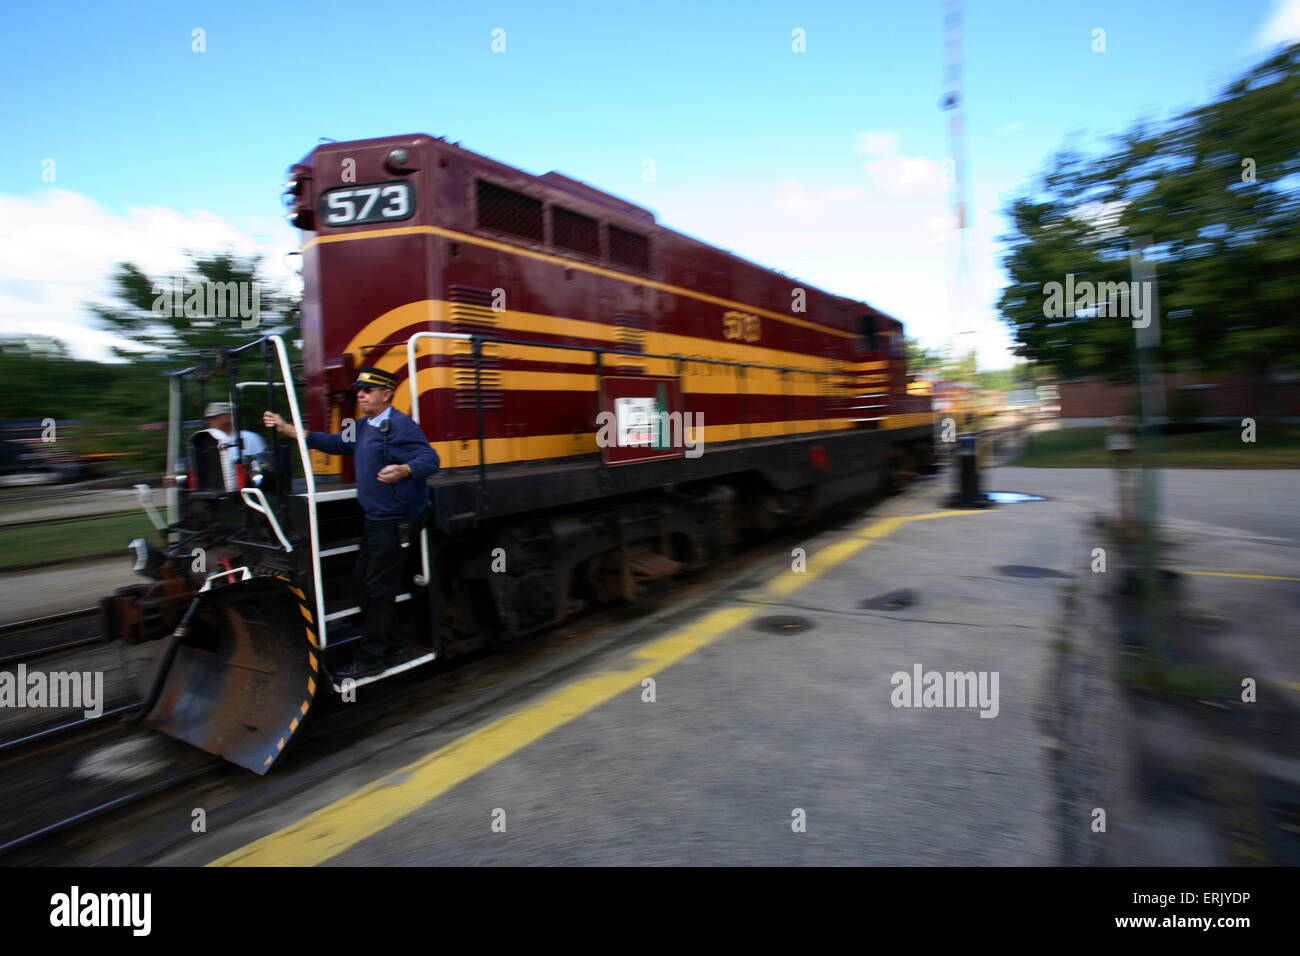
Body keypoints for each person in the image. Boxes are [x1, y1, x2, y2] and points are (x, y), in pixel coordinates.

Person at [263, 366, 439, 679]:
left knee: (377, 587)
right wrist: (287, 428)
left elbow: (430, 459)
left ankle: (373, 658)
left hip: (398, 519)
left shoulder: (400, 424)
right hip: (376, 519)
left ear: (386, 395)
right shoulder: (362, 426)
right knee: (364, 583)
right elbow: (332, 443)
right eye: (359, 389)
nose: (360, 394)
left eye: (368, 390)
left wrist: (404, 470)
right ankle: (395, 644)